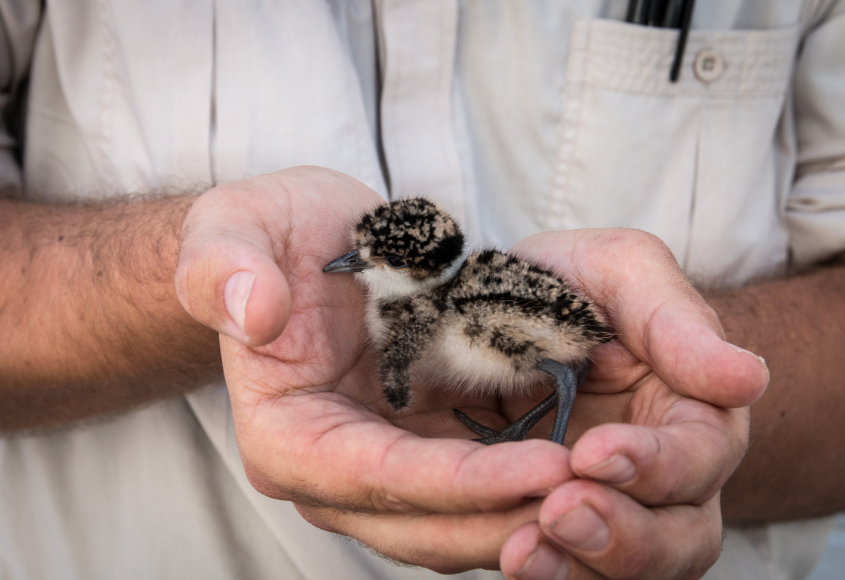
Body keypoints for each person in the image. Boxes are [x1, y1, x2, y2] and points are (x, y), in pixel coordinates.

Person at [0, 2, 842, 580]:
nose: (351, 270)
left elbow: (413, 358)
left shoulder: (427, 306)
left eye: (367, 262)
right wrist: (205, 284)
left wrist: (678, 383)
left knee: (543, 360)